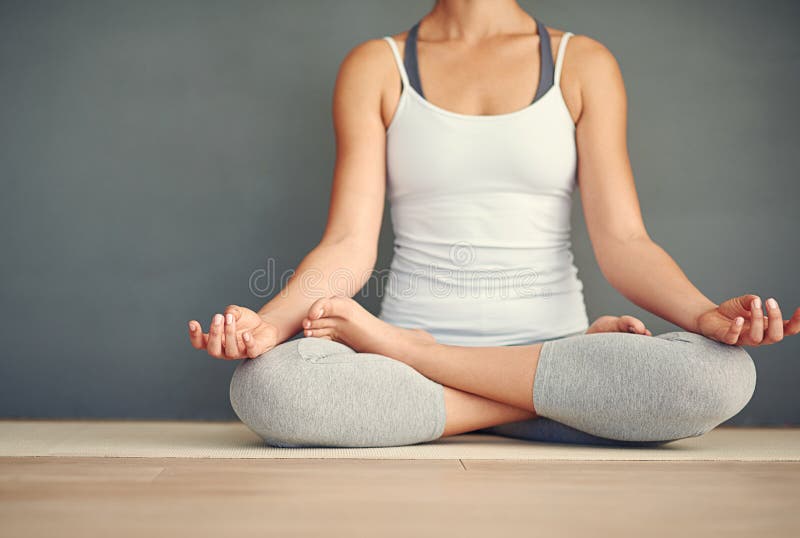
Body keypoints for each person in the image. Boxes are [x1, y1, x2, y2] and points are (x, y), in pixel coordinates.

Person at [188, 0, 800, 448]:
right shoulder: (375, 67)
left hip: (504, 353)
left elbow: (625, 243)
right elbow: (348, 242)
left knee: (721, 374)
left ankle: (437, 369)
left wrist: (702, 315)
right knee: (268, 388)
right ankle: (552, 408)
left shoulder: (582, 63)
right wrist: (268, 326)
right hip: (424, 369)